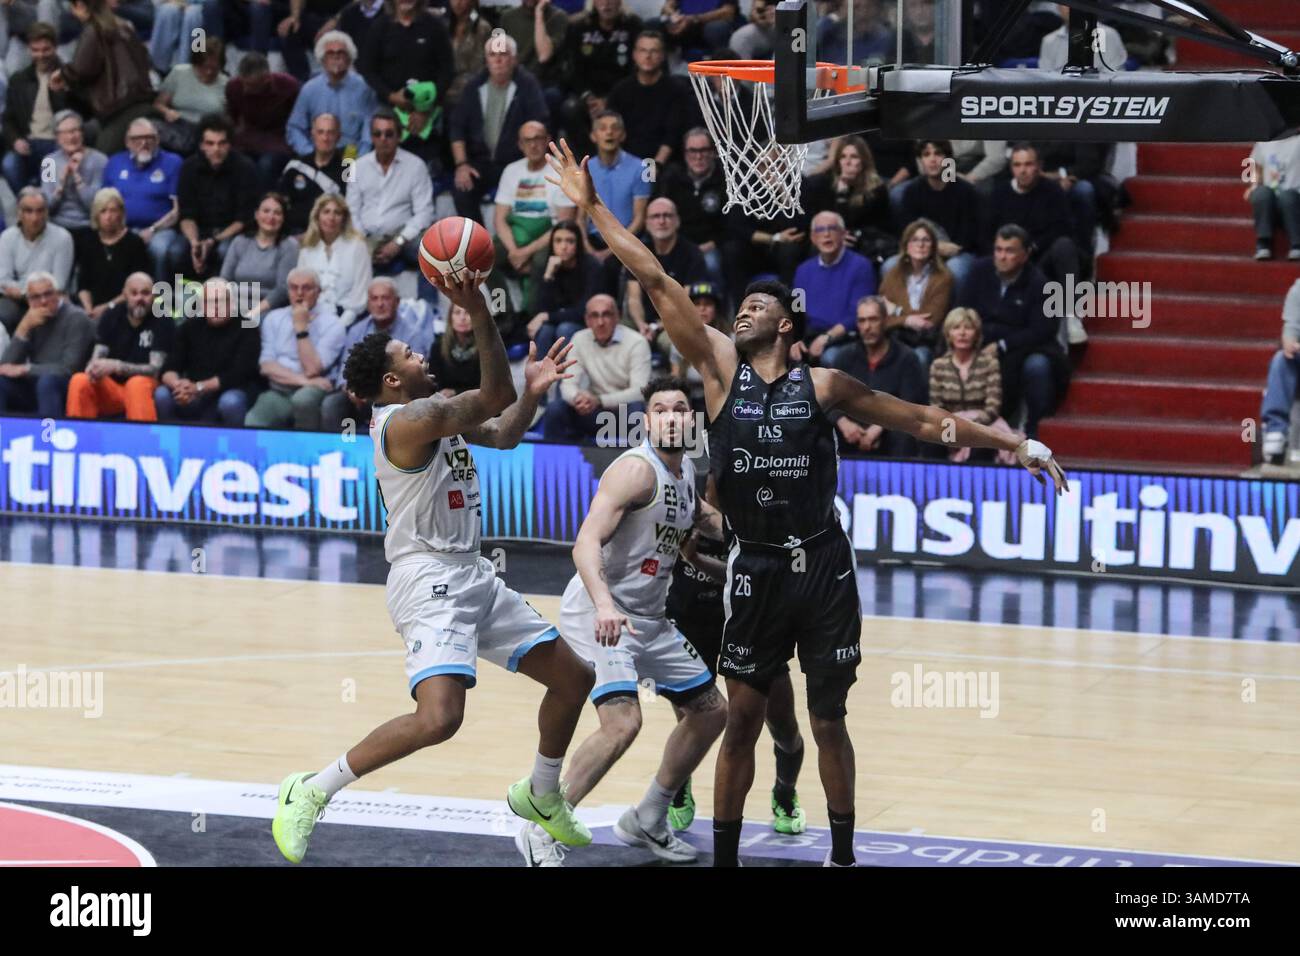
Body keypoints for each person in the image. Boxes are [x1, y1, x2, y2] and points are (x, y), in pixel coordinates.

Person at [546, 136, 1068, 867]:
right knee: (741, 721)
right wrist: (593, 205)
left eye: (756, 306)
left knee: (827, 720)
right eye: (741, 306)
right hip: (753, 567)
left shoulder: (822, 385)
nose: (740, 313)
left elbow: (920, 418)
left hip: (823, 564)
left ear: (786, 324)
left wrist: (1014, 443)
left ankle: (844, 855)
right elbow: (657, 278)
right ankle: (725, 856)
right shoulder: (720, 373)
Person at [270, 273, 596, 865]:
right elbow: (492, 396)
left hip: (471, 573)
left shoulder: (436, 413)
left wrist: (533, 391)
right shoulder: (404, 423)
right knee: (440, 719)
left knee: (575, 678)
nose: (422, 354)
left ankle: (541, 795)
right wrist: (478, 308)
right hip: (429, 579)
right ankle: (310, 791)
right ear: (393, 380)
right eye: (409, 354)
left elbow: (501, 431)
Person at [518, 375, 726, 866]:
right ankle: (542, 825)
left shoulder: (685, 473)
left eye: (680, 409)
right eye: (661, 409)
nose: (672, 417)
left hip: (650, 619)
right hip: (602, 612)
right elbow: (585, 543)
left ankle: (648, 818)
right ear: (647, 420)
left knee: (713, 711)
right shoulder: (635, 471)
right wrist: (606, 606)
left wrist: (752, 548)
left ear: (690, 421)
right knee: (622, 723)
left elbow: (698, 520)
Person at [957, 224, 1069, 438]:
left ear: (1025, 255)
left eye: (1009, 251)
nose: (1002, 257)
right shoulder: (979, 271)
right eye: (998, 250)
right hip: (977, 340)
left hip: (1021, 347)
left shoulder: (1040, 283)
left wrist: (1001, 346)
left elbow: (1041, 330)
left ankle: (1035, 430)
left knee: (1037, 366)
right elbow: (962, 310)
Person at [448, 32, 550, 224]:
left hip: (517, 162)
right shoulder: (473, 86)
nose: (498, 59)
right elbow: (457, 127)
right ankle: (478, 243)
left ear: (514, 59)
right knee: (462, 189)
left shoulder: (527, 85)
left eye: (503, 54)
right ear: (486, 59)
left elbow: (540, 123)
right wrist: (462, 165)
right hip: (481, 162)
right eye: (493, 55)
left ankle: (511, 246)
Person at [345, 110, 436, 302]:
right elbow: (351, 209)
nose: (383, 139)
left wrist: (398, 242)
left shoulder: (416, 165)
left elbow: (425, 212)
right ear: (371, 137)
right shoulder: (355, 167)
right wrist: (363, 241)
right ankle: (353, 310)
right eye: (378, 134)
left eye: (389, 133)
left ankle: (427, 310)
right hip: (366, 236)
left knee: (432, 252)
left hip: (403, 235)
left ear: (399, 136)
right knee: (348, 256)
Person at [542, 292, 651, 441]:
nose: (600, 322)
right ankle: (557, 461)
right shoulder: (580, 338)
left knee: (637, 411)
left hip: (621, 412)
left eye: (606, 315)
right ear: (587, 320)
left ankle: (639, 462)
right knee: (555, 409)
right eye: (594, 316)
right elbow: (567, 385)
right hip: (592, 411)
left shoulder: (637, 342)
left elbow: (640, 392)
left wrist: (599, 400)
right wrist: (578, 399)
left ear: (617, 317)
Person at [50, 0, 156, 155]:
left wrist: (62, 75)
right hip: (142, 102)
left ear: (80, 5)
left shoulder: (93, 30)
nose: (73, 13)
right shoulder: (126, 27)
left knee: (102, 160)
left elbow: (82, 69)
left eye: (73, 7)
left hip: (120, 109)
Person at [244, 267, 344, 429]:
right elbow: (266, 366)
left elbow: (312, 369)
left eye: (306, 288)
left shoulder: (333, 324)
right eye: (294, 287)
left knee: (303, 400)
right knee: (253, 420)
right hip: (281, 389)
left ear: (318, 292)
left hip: (314, 392)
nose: (299, 293)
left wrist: (301, 329)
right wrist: (303, 381)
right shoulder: (273, 318)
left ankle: (307, 450)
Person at [826, 295, 926, 457]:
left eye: (873, 320)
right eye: (862, 321)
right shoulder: (845, 356)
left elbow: (910, 404)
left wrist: (877, 429)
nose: (867, 327)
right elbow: (828, 399)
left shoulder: (906, 358)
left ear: (886, 321)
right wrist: (844, 424)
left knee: (904, 434)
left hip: (889, 429)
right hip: (850, 431)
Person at [65, 271, 173, 421]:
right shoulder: (111, 315)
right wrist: (94, 367)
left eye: (145, 293)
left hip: (143, 390)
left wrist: (117, 366)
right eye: (134, 293)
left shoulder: (163, 320)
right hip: (112, 390)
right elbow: (97, 356)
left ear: (154, 296)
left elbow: (155, 370)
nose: (140, 298)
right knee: (80, 380)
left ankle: (143, 442)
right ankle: (77, 437)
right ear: (125, 295)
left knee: (136, 384)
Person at [156, 277, 262, 425]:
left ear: (232, 303)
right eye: (210, 302)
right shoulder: (189, 327)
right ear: (202, 306)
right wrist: (179, 386)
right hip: (194, 391)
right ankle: (169, 442)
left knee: (230, 401)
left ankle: (235, 445)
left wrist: (199, 387)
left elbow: (240, 373)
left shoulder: (248, 327)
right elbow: (169, 366)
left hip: (232, 390)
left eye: (221, 301)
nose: (216, 307)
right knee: (162, 394)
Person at [927, 307, 1023, 465]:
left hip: (984, 423)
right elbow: (936, 407)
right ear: (948, 334)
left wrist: (971, 427)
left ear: (977, 333)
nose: (962, 333)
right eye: (956, 328)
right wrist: (955, 426)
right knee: (931, 443)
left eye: (968, 328)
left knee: (982, 445)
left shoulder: (989, 363)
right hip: (950, 423)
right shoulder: (938, 365)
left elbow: (993, 407)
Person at [0, 271, 94, 416]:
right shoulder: (31, 319)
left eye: (48, 294)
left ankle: (47, 436)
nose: (43, 301)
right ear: (28, 300)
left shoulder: (77, 318)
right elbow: (6, 366)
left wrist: (27, 369)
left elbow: (69, 368)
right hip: (36, 384)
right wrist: (23, 328)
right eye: (36, 297)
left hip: (66, 386)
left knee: (47, 382)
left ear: (58, 294)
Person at [177, 113, 259, 280]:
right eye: (210, 143)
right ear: (201, 145)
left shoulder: (245, 167)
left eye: (222, 143)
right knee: (175, 251)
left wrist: (213, 240)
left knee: (224, 251)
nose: (216, 149)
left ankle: (222, 302)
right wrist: (194, 242)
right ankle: (178, 302)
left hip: (232, 232)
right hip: (200, 230)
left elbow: (243, 219)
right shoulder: (189, 167)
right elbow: (186, 215)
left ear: (229, 145)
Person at [103, 117, 185, 280]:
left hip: (161, 229)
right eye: (137, 139)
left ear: (158, 140)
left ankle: (161, 300)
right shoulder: (114, 162)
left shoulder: (173, 162)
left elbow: (177, 210)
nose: (144, 143)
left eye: (149, 138)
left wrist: (153, 230)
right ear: (127, 142)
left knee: (158, 249)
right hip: (122, 227)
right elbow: (104, 203)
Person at [284, 30, 379, 157]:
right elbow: (295, 127)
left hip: (350, 153)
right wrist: (309, 153)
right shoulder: (309, 88)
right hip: (317, 152)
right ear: (322, 59)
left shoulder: (364, 87)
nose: (336, 56)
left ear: (350, 58)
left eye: (341, 52)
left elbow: (369, 129)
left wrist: (361, 158)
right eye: (330, 53)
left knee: (347, 177)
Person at [1, 22, 71, 196]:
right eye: (35, 50)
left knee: (48, 174)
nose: (41, 55)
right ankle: (26, 202)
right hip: (28, 143)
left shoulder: (69, 76)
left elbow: (80, 112)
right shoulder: (19, 80)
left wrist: (64, 90)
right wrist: (15, 140)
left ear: (55, 48)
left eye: (46, 49)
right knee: (9, 164)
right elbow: (8, 119)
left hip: (55, 146)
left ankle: (44, 204)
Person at [877, 218, 953, 368]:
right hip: (894, 338)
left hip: (924, 343)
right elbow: (881, 317)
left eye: (926, 240)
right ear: (906, 246)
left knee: (919, 357)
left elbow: (930, 321)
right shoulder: (893, 275)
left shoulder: (943, 278)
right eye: (915, 240)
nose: (921, 244)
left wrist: (897, 311)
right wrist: (907, 320)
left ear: (933, 247)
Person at [0, 187, 75, 331]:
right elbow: (3, 281)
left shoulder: (62, 238)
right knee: (3, 314)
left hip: (49, 298)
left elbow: (59, 284)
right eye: (29, 211)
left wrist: (23, 292)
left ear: (47, 213)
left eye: (40, 211)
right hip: (16, 301)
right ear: (19, 213)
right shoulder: (7, 238)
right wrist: (25, 295)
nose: (35, 218)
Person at [220, 192, 299, 324]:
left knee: (248, 326)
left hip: (267, 309)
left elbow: (282, 289)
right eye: (266, 211)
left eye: (277, 213)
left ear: (283, 218)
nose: (271, 217)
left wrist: (253, 313)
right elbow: (224, 280)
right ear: (257, 215)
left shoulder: (289, 246)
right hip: (234, 304)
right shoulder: (240, 241)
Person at [529, 220, 606, 356]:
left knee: (564, 329)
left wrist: (547, 316)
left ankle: (568, 376)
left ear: (578, 244)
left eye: (570, 241)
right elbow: (540, 309)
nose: (563, 247)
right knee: (545, 330)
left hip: (587, 322)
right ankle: (540, 375)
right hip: (559, 320)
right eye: (558, 241)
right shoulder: (548, 266)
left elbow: (585, 311)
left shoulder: (592, 267)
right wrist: (548, 276)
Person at [225, 52, 300, 191]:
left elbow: (298, 121)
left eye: (252, 86)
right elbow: (232, 118)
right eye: (244, 83)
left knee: (267, 165)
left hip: (278, 138)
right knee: (232, 160)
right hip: (247, 137)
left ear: (266, 79)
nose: (246, 89)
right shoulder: (233, 87)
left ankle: (263, 205)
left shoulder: (288, 86)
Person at [74, 187, 151, 320]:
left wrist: (107, 307)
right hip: (92, 310)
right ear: (96, 215)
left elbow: (136, 288)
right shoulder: (88, 241)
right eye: (103, 211)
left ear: (121, 213)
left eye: (113, 210)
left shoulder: (134, 243)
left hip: (123, 309)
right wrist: (89, 309)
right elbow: (83, 284)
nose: (108, 217)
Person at [297, 193, 371, 327]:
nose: (331, 218)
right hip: (313, 317)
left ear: (344, 218)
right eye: (326, 212)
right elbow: (300, 289)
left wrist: (340, 326)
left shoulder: (358, 246)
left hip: (348, 317)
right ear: (317, 216)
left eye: (337, 213)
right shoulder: (307, 249)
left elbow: (361, 292)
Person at [277, 112, 347, 237]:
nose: (325, 138)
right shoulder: (296, 166)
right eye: (320, 132)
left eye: (330, 133)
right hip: (292, 235)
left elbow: (347, 210)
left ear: (339, 136)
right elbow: (280, 203)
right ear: (312, 135)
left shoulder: (348, 168)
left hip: (328, 236)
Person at [41, 110, 107, 234]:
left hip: (89, 226)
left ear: (82, 133)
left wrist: (78, 178)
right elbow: (47, 207)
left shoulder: (100, 160)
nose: (71, 137)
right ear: (57, 137)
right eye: (65, 133)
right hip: (57, 226)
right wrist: (60, 186)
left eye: (75, 131)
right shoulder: (49, 162)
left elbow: (96, 207)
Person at [1261, 277, 1300, 464]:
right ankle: (1276, 430)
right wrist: (1291, 344)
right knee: (1281, 360)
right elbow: (1290, 332)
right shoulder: (1298, 290)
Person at [1246, 133, 1300, 260]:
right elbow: (1255, 166)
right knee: (1261, 193)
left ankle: (1297, 244)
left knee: (1287, 197)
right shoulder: (1264, 143)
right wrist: (1254, 186)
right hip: (1271, 201)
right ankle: (1263, 243)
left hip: (1294, 199)